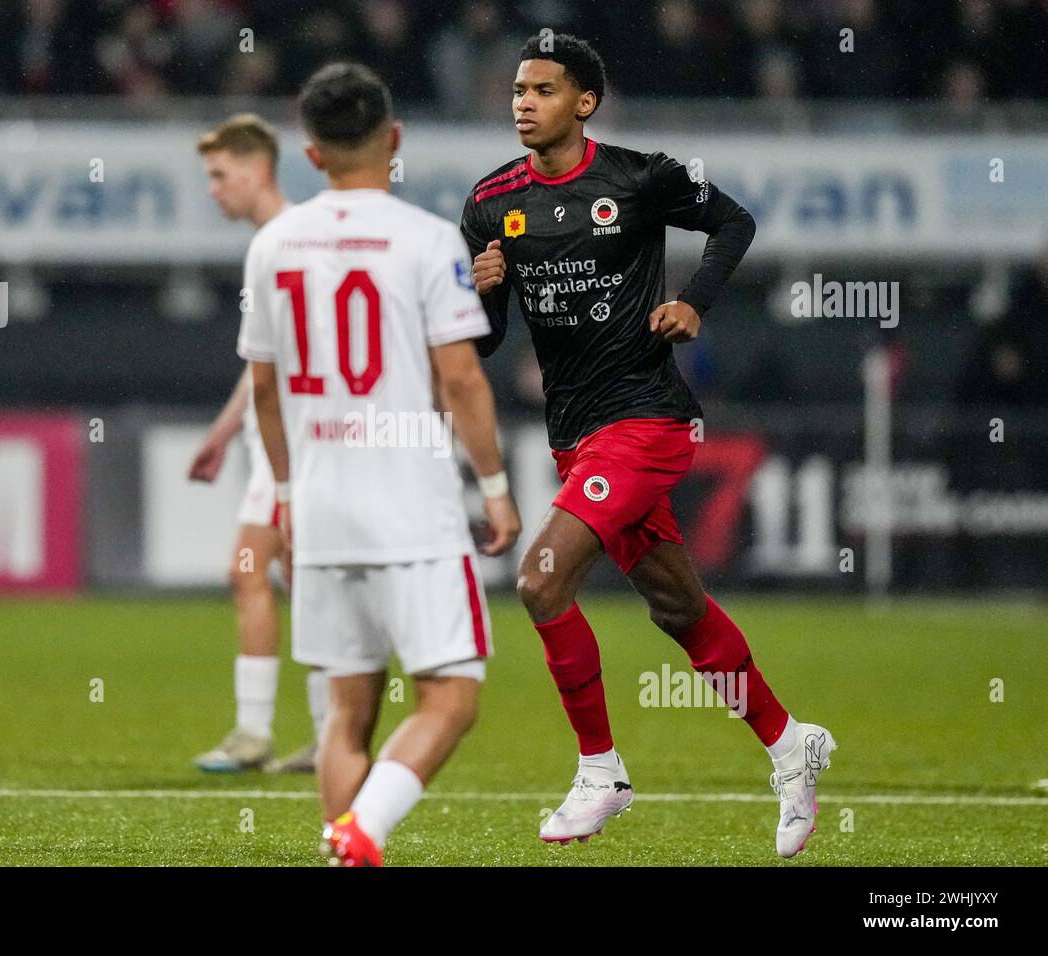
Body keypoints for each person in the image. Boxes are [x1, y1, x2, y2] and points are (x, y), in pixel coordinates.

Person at [462, 33, 835, 858]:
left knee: (540, 578)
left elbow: (733, 222)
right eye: (519, 90)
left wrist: (696, 302)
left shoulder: (641, 176)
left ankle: (601, 773)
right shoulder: (490, 202)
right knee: (678, 609)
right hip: (576, 436)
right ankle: (790, 744)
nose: (523, 102)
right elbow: (486, 343)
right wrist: (481, 297)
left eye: (544, 90)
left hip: (647, 420)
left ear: (584, 103)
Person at [238, 63, 521, 866]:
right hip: (413, 505)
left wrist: (287, 496)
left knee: (345, 716)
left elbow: (264, 385)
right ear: (393, 141)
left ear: (312, 153)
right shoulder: (429, 241)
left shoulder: (273, 245)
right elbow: (462, 377)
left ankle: (344, 843)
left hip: (322, 505)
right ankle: (364, 831)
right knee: (453, 696)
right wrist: (495, 489)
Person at [189, 114, 321, 774]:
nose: (213, 189)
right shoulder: (288, 239)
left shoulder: (282, 242)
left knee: (251, 571)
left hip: (291, 445)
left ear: (256, 170)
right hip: (281, 438)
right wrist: (222, 430)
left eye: (219, 175)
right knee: (301, 581)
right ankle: (327, 732)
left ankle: (254, 733)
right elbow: (263, 360)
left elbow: (282, 363)